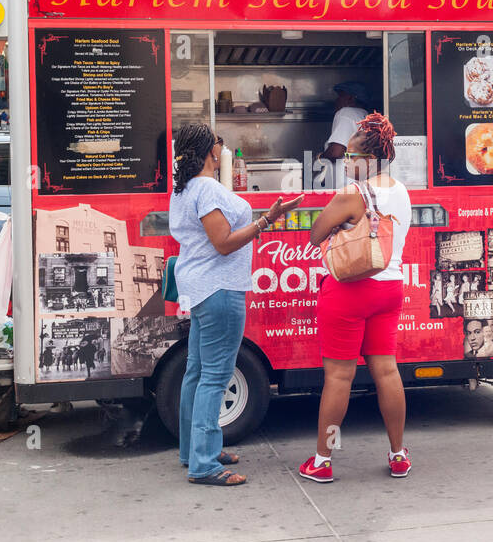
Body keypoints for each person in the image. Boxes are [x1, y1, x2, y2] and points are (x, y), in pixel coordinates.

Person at [170, 124, 300, 487]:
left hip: (201, 288)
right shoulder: (207, 189)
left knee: (197, 373)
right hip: (219, 289)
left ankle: (193, 450)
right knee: (214, 377)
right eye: (218, 143)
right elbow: (223, 243)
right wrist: (266, 221)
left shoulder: (184, 188)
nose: (221, 147)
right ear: (209, 152)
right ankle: (205, 464)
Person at [302, 113, 413, 482]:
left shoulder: (353, 194)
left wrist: (335, 223)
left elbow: (316, 234)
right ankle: (398, 454)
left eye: (351, 155)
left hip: (350, 290)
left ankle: (322, 461)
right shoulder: (401, 191)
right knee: (386, 371)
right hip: (389, 289)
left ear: (369, 160)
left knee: (338, 377)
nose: (346, 161)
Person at [317, 81, 371, 168]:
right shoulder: (366, 116)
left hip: (346, 179)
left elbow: (336, 152)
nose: (336, 100)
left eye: (340, 96)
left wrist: (317, 160)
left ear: (351, 98)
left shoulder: (347, 113)